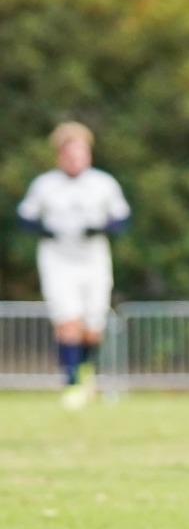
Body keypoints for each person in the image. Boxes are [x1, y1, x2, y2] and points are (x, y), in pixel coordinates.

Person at [17, 122, 129, 410]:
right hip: (58, 260)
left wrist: (102, 229)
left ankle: (85, 371)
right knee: (68, 321)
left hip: (93, 260)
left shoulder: (103, 183)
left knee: (92, 326)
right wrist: (44, 230)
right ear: (60, 156)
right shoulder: (45, 184)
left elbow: (121, 218)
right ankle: (72, 383)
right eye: (70, 154)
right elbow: (25, 216)